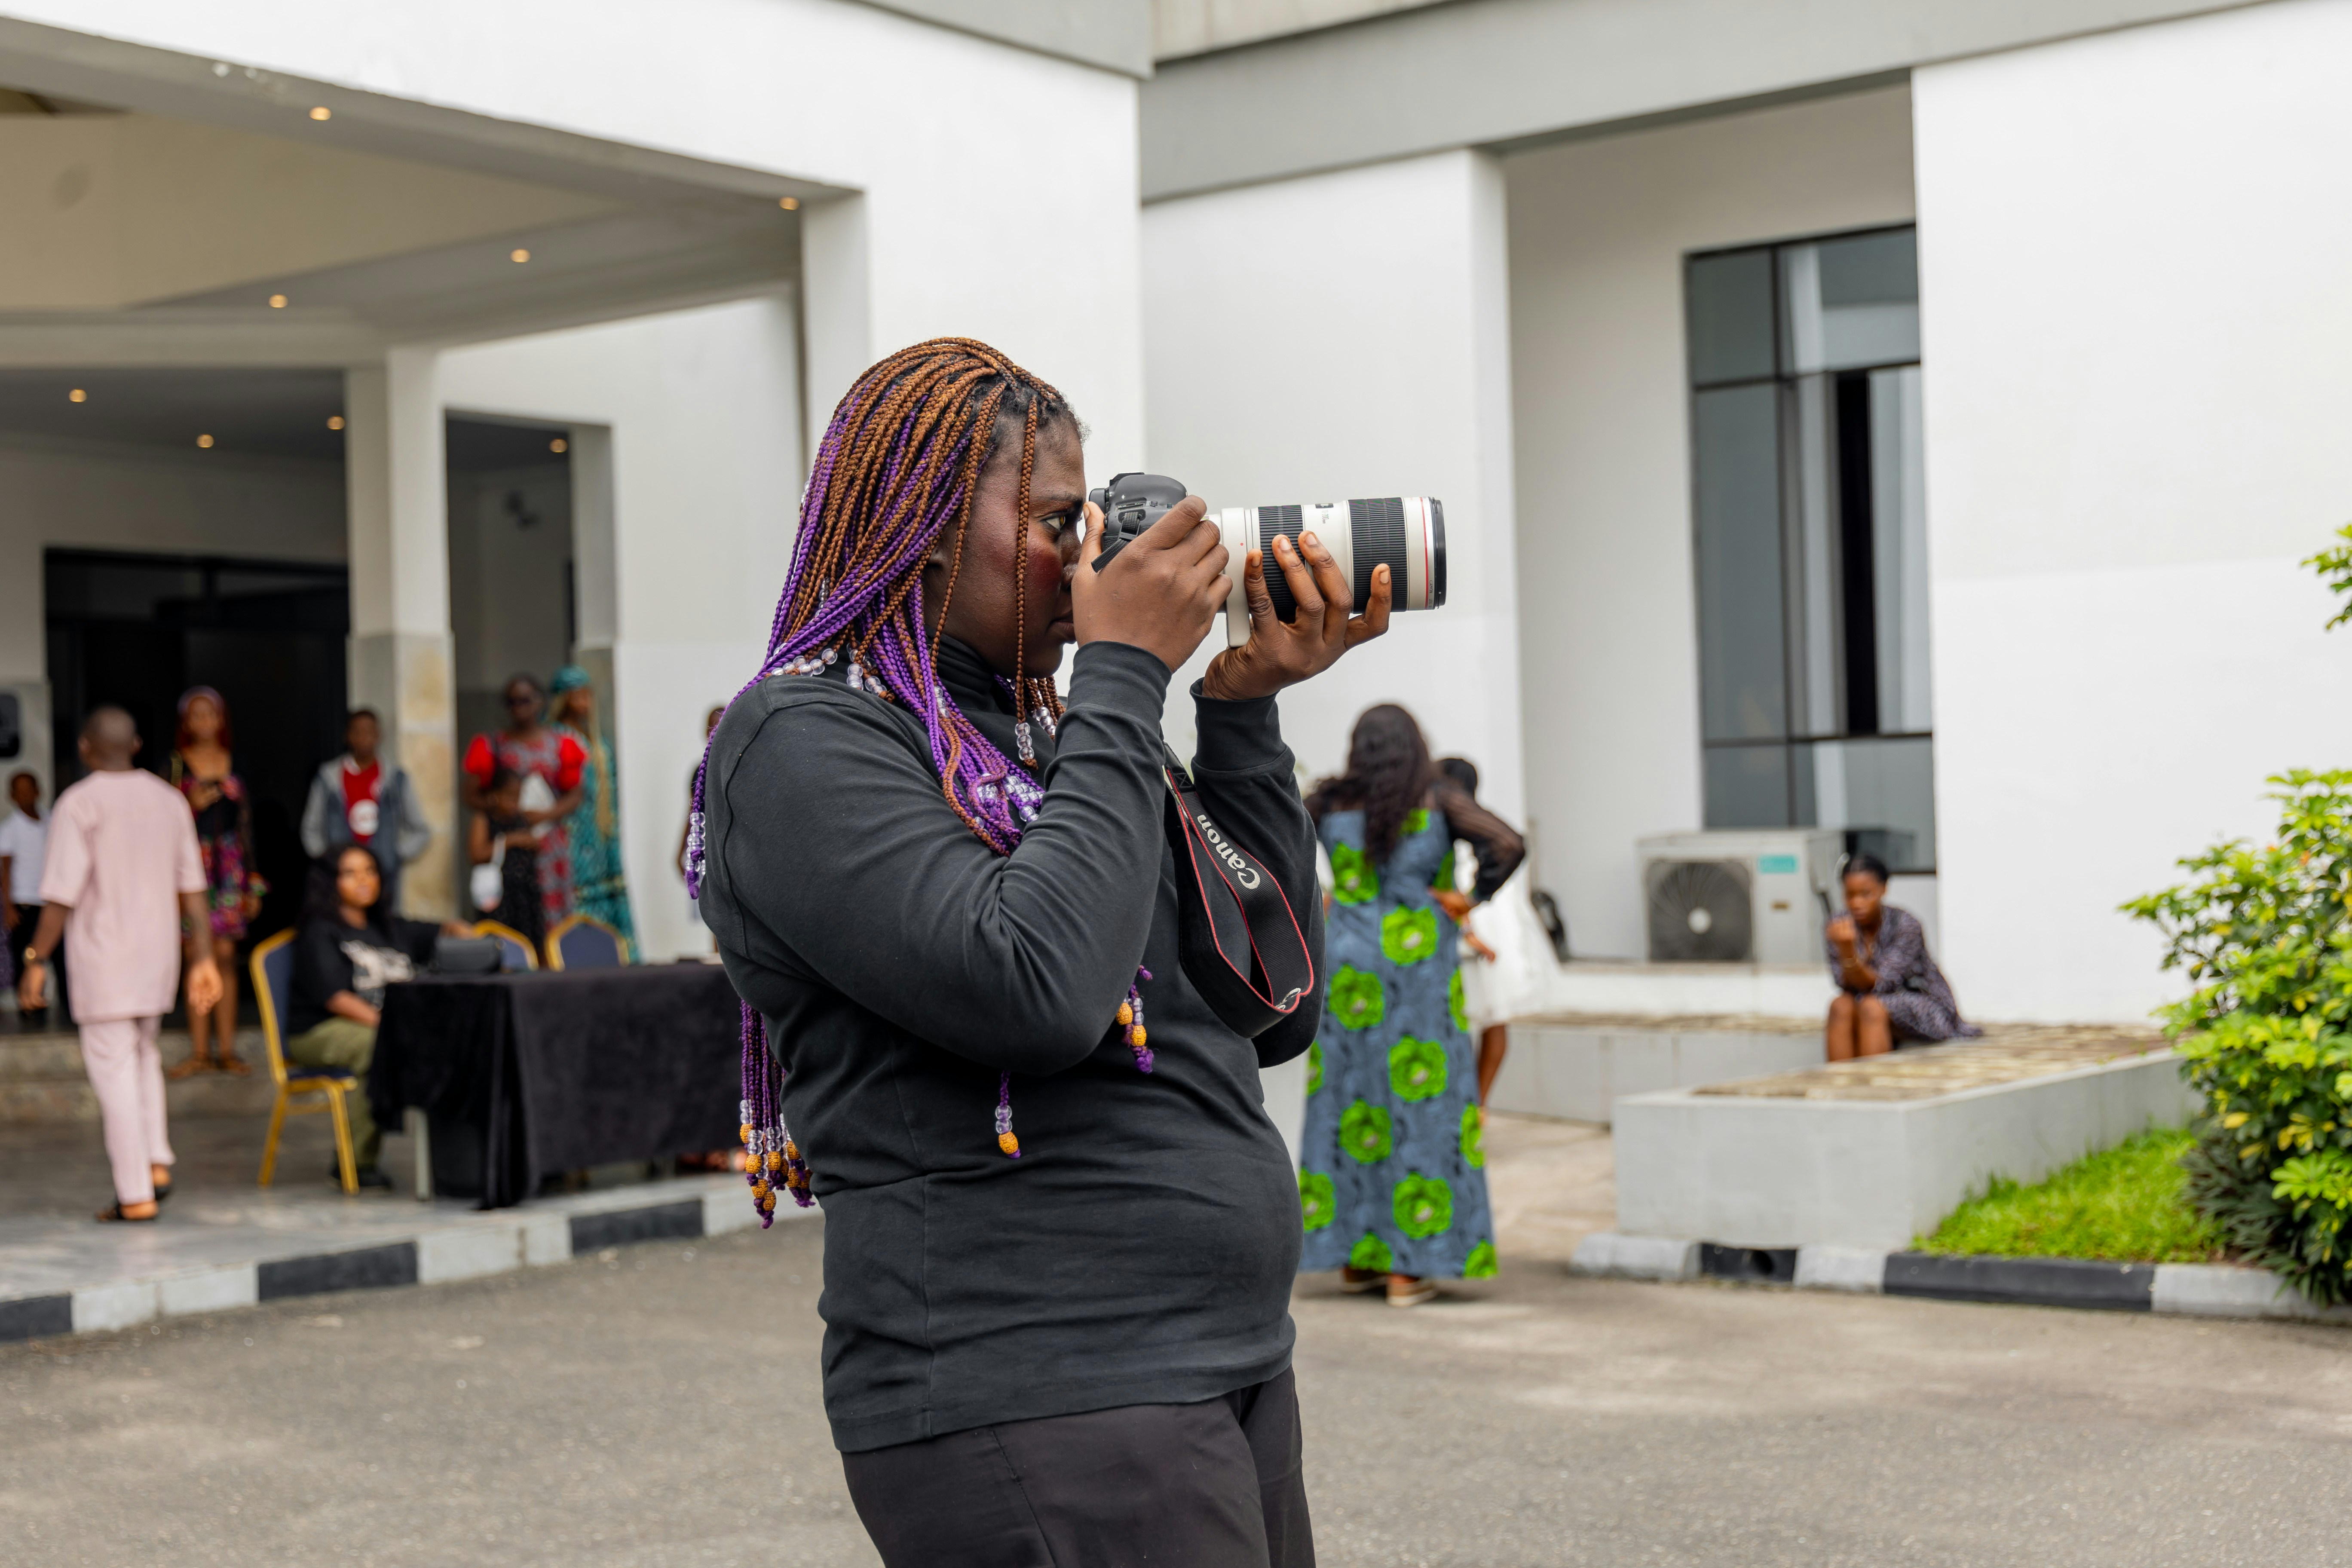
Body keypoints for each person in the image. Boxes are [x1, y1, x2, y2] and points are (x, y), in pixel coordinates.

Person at [694, 338, 1388, 1566]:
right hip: (1036, 1387)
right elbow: (1037, 991)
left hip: (1215, 1369)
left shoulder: (1060, 735)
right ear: (923, 525)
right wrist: (1126, 673)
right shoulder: (803, 740)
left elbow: (1272, 1005)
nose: (1086, 561)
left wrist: (1237, 715)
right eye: (1057, 523)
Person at [1298, 706, 1523, 1308]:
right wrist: (1472, 897)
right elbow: (1507, 842)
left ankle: (1353, 1258)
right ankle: (1408, 1267)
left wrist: (1322, 900)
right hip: (1417, 963)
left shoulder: (1327, 802)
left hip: (1347, 964)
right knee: (1422, 1103)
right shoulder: (1440, 799)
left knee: (1352, 1102)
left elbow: (1274, 843)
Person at [19, 708, 222, 1222]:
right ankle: (155, 1162)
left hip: (104, 963)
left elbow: (60, 896)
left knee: (115, 1076)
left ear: (86, 748)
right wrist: (203, 960)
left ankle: (135, 1195)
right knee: (144, 1056)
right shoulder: (169, 800)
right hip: (157, 962)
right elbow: (195, 892)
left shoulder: (78, 804)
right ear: (135, 745)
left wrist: (35, 959)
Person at [286, 845, 467, 1188]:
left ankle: (456, 1159)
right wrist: (393, 1028)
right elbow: (336, 999)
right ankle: (355, 1163)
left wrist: (470, 940)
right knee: (378, 1049)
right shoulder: (319, 931)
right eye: (351, 873)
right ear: (330, 881)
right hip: (320, 1031)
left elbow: (448, 930)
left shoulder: (390, 927)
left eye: (370, 871)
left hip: (390, 1027)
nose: (364, 880)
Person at [1435, 755, 1553, 1106]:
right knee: (1494, 1023)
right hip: (1495, 936)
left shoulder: (1454, 825)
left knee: (1470, 1023)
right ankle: (1478, 1104)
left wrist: (1470, 929)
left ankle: (1471, 1104)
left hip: (1477, 936)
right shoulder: (1481, 825)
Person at [168, 686, 265, 1077]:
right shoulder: (175, 764)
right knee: (196, 956)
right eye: (197, 715)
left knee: (226, 956)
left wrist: (253, 882)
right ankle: (198, 1053)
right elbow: (158, 822)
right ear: (186, 723)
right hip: (191, 868)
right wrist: (188, 806)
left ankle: (226, 1050)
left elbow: (248, 826)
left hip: (230, 870)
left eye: (212, 714)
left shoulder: (236, 762)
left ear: (221, 720)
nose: (205, 722)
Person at [461, 674, 583, 943]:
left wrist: (548, 815)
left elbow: (576, 793)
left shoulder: (561, 743)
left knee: (552, 916)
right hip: (509, 844)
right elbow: (470, 794)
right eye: (512, 702)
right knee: (513, 917)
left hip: (549, 844)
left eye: (525, 700)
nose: (519, 708)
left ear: (541, 702)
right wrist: (502, 807)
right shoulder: (492, 744)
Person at [1825, 851, 1979, 1059]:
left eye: (1866, 894)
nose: (1857, 904)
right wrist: (1845, 951)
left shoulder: (1905, 925)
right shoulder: (1839, 924)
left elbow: (1880, 984)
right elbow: (1843, 983)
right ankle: (1838, 1085)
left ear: (1884, 889)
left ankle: (1875, 1085)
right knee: (1840, 1006)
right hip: (1868, 1004)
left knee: (1872, 1007)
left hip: (1923, 1003)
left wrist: (1848, 952)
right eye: (1850, 895)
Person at [300, 708, 431, 914]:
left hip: (384, 874)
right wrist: (327, 859)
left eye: (369, 731)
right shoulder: (328, 778)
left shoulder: (395, 778)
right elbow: (311, 828)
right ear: (347, 736)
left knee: (384, 928)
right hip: (341, 875)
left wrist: (395, 853)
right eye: (357, 732)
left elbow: (420, 829)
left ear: (379, 735)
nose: (363, 738)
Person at [548, 665, 636, 946]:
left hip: (602, 834)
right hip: (573, 833)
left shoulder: (595, 739)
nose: (584, 703)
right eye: (577, 696)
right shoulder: (556, 739)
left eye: (587, 695)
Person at [467, 763, 549, 954]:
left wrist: (533, 844)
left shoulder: (522, 819)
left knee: (532, 945)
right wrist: (510, 840)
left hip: (525, 895)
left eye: (518, 797)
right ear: (494, 796)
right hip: (500, 898)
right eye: (509, 797)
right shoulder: (484, 819)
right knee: (500, 946)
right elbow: (476, 854)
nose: (515, 803)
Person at [3, 769, 56, 1015]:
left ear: (39, 791)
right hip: (24, 903)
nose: (25, 796)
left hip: (51, 902)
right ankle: (29, 1009)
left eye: (29, 789)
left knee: (53, 957)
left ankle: (61, 1009)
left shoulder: (52, 820)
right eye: (19, 791)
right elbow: (5, 871)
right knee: (26, 957)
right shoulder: (10, 828)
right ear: (12, 796)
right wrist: (9, 908)